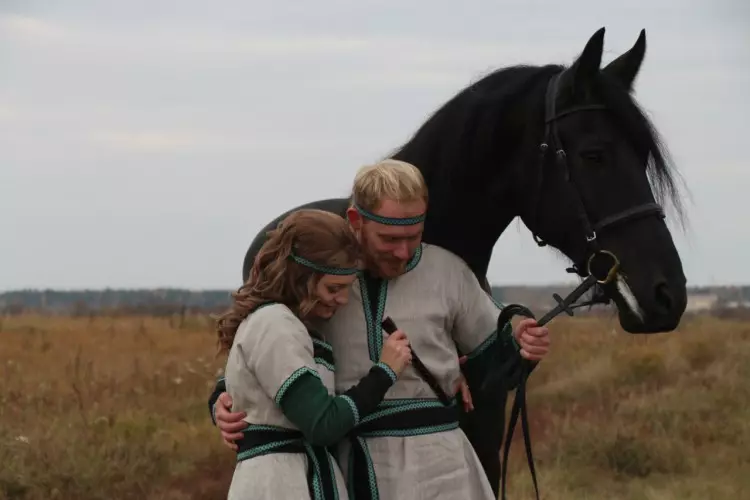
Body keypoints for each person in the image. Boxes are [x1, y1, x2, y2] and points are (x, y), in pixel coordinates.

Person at [210, 160, 551, 499]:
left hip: (441, 469)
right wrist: (224, 398)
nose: (402, 252)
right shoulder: (320, 281)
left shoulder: (449, 272)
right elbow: (268, 351)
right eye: (389, 238)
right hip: (347, 467)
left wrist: (521, 348)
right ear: (356, 222)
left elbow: (495, 369)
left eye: (413, 237)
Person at [215, 208, 414, 500]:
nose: (343, 300)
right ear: (300, 278)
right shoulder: (275, 324)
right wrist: (384, 373)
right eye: (334, 288)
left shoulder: (290, 324)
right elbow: (323, 425)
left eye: (347, 288)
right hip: (279, 484)